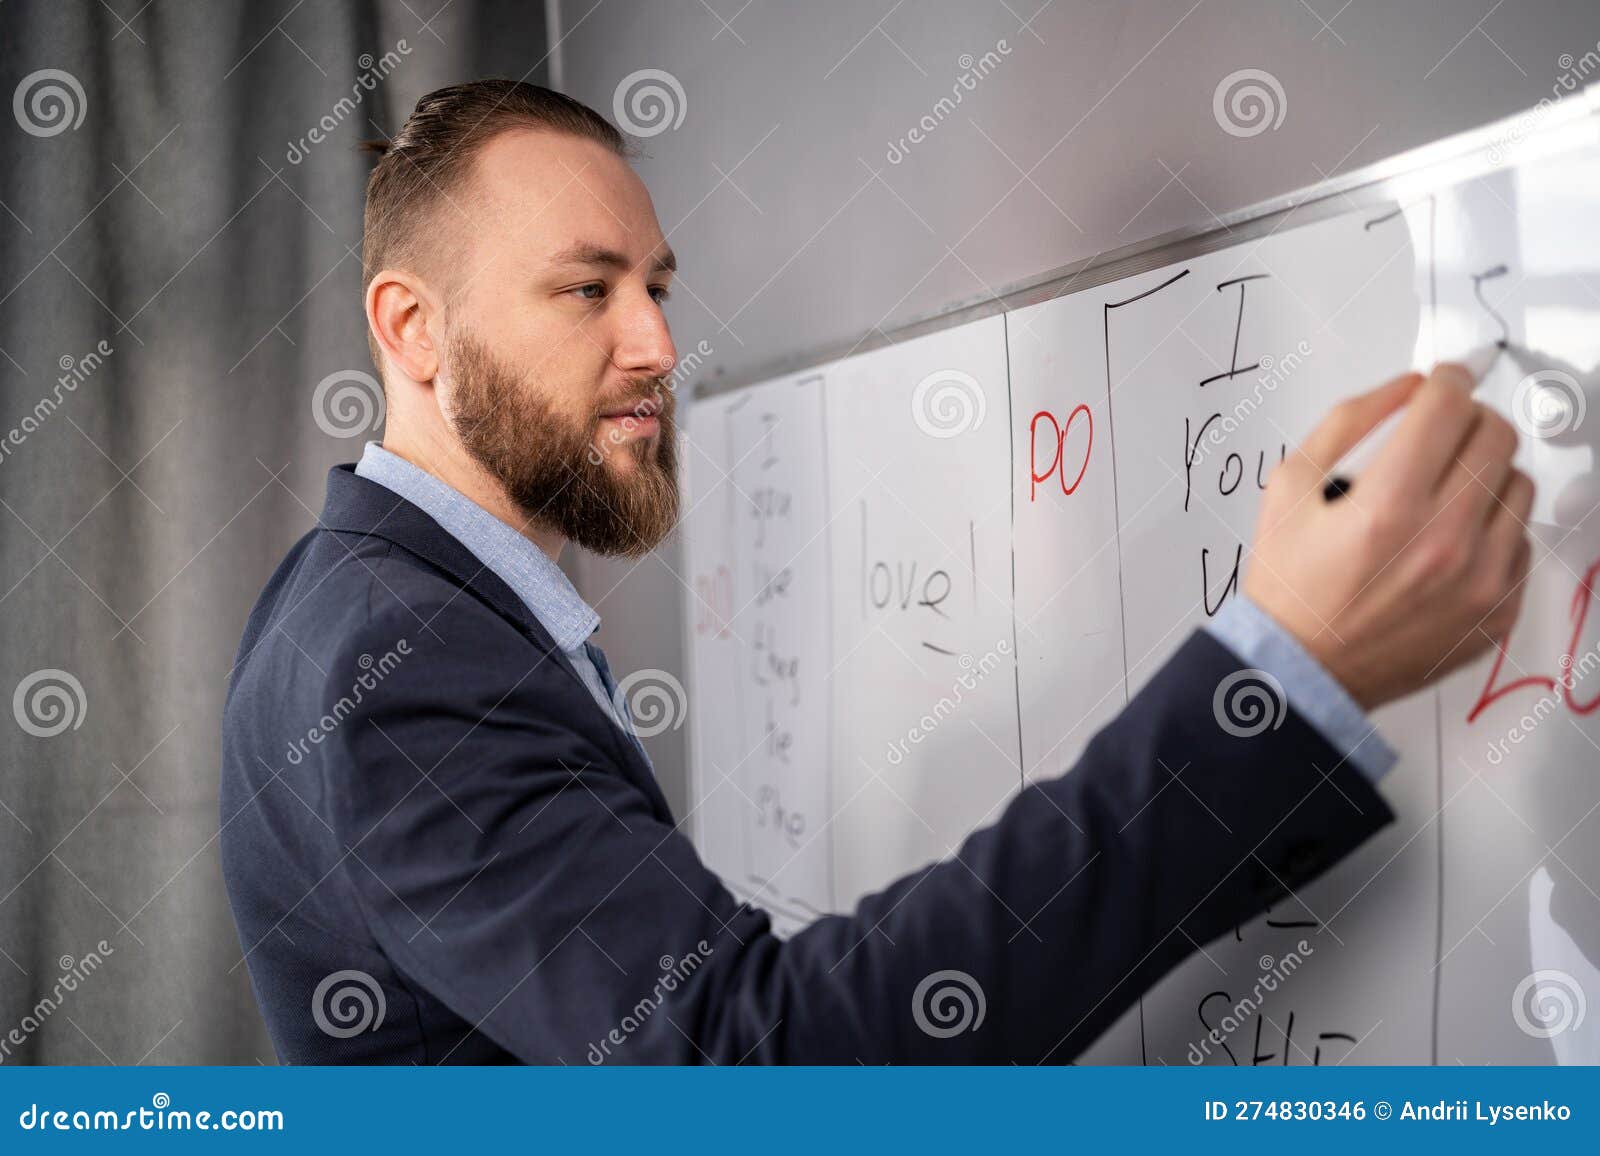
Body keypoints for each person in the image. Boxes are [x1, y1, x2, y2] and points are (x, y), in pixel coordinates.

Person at [219, 79, 1533, 1064]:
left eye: (660, 287)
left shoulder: (368, 597)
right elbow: (761, 1073)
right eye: (588, 290)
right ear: (412, 328)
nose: (659, 345)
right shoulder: (399, 663)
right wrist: (1282, 673)